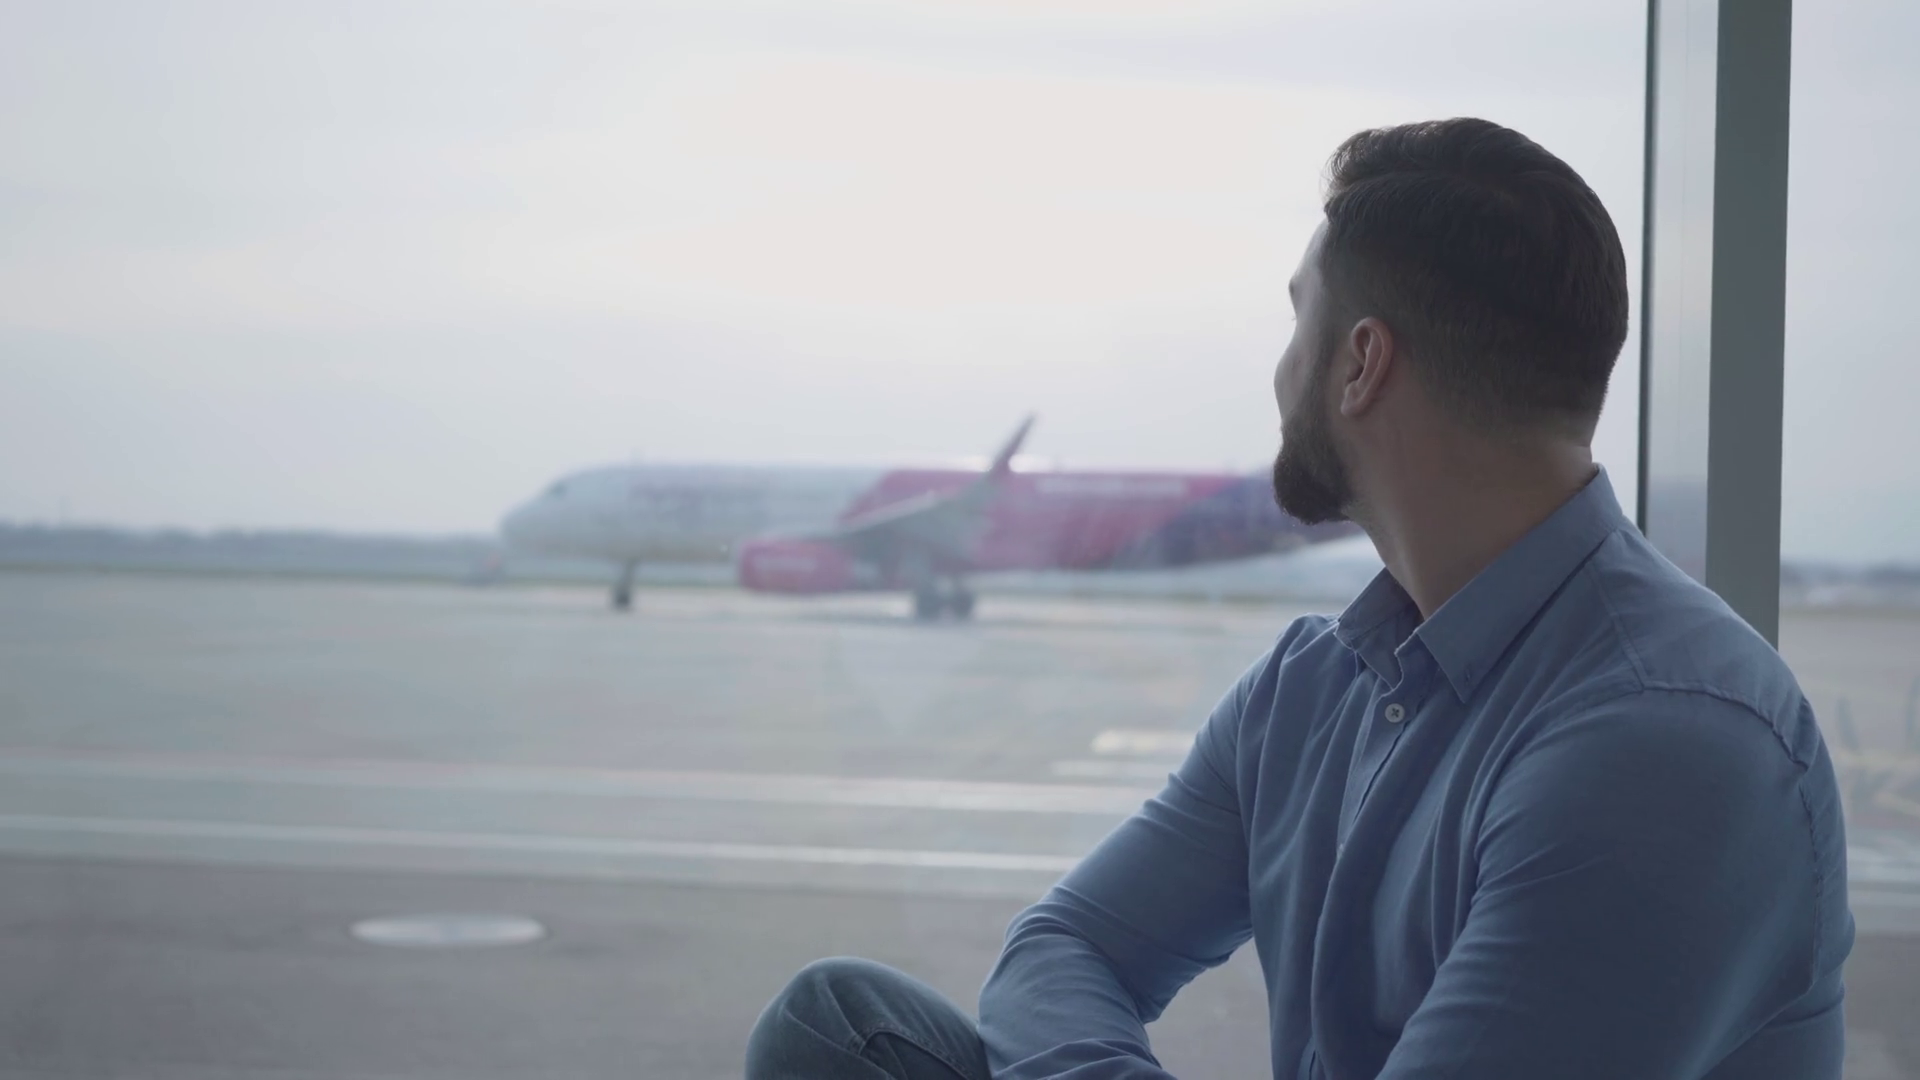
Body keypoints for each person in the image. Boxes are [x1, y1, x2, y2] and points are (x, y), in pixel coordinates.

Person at [743, 117, 1853, 1080]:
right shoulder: (1314, 687)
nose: (1279, 374)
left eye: (1296, 321)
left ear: (1360, 364)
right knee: (842, 1026)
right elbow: (1065, 948)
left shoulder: (1667, 741)